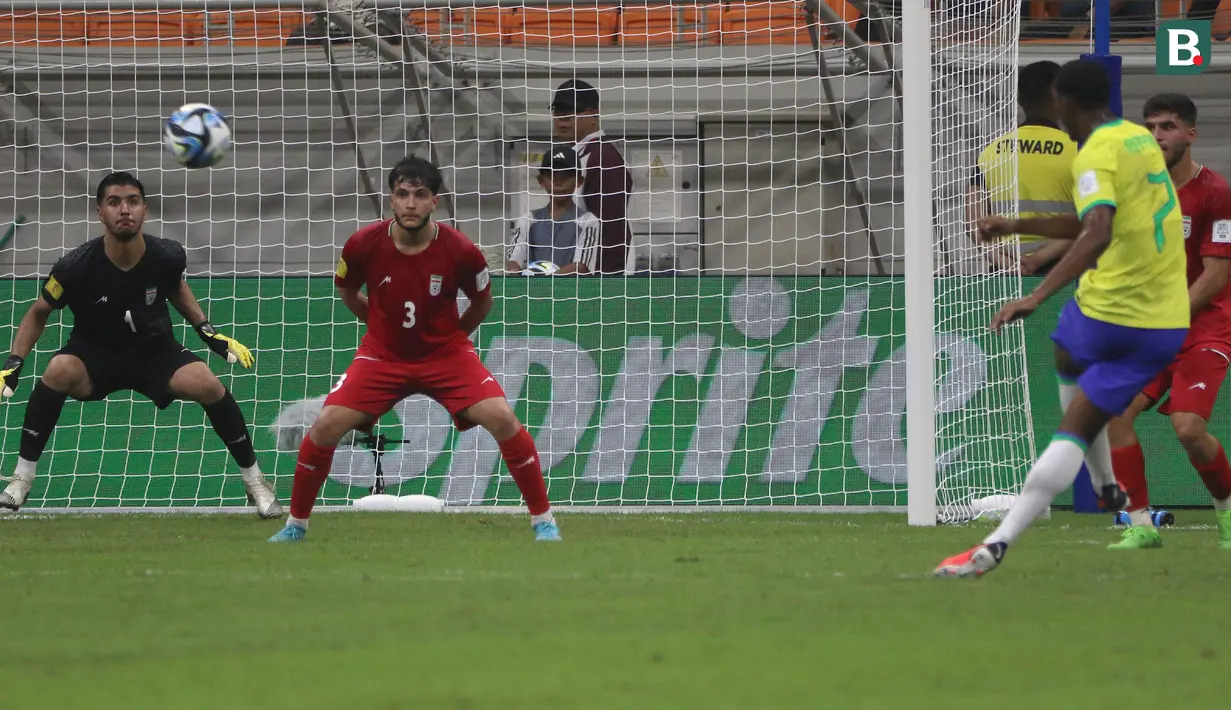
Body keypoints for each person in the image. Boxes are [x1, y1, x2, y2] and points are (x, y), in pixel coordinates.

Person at [935, 59, 1190, 578]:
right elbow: (1091, 215)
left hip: (1116, 312)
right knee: (1064, 349)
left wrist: (1037, 293)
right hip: (1165, 317)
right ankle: (1104, 485)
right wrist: (1015, 222)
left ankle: (995, 545)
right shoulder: (1135, 140)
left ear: (1063, 103)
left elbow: (1095, 231)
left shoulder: (1092, 154)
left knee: (1072, 428)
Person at [268, 156, 560, 542]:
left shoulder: (460, 250)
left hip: (446, 357)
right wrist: (377, 326)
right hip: (382, 357)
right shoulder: (362, 244)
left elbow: (483, 302)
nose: (410, 203)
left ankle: (543, 521)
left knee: (503, 418)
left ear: (434, 202)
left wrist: (454, 339)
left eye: (420, 195)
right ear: (391, 199)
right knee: (324, 427)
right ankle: (295, 526)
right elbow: (346, 289)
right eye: (403, 194)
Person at [0, 172, 281, 517]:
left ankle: (255, 483)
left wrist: (206, 330)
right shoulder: (74, 267)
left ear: (144, 210)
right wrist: (15, 361)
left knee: (208, 383)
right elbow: (38, 312)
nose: (124, 209)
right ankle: (21, 480)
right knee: (58, 370)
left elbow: (176, 286)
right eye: (114, 202)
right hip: (94, 355)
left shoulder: (166, 255)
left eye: (132, 201)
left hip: (155, 353)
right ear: (100, 212)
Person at [1104, 94, 1231, 550]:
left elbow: (1217, 275)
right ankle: (1141, 525)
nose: (1158, 135)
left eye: (1168, 127)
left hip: (1204, 331)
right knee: (1114, 412)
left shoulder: (1216, 194)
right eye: (1151, 127)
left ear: (1190, 134)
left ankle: (1227, 513)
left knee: (1189, 431)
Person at [967, 60, 1076, 276]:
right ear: (1061, 99)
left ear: (1018, 99)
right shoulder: (1078, 150)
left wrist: (1003, 261)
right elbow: (1092, 221)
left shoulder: (990, 152)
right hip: (1061, 276)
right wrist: (1036, 260)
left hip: (1004, 277)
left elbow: (973, 220)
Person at [550, 79, 633, 275]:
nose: (563, 119)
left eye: (572, 112)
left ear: (594, 116)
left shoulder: (602, 158)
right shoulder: (579, 155)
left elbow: (611, 231)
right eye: (558, 112)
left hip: (600, 281)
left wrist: (597, 281)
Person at [506, 145, 600, 275]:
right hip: (532, 293)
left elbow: (581, 266)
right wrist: (515, 275)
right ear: (541, 181)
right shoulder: (528, 219)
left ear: (579, 181)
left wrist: (542, 282)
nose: (558, 182)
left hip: (572, 293)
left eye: (566, 176)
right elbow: (514, 260)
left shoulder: (588, 221)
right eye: (552, 175)